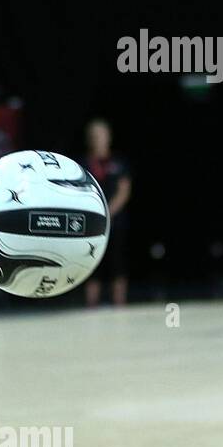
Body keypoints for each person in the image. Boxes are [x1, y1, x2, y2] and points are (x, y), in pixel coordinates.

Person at [83, 119, 131, 307]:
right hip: (90, 224)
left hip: (115, 222)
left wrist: (107, 213)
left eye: (101, 135)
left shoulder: (118, 163)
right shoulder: (83, 163)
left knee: (117, 263)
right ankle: (91, 306)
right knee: (90, 263)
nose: (97, 139)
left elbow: (124, 190)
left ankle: (119, 304)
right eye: (94, 136)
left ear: (108, 137)